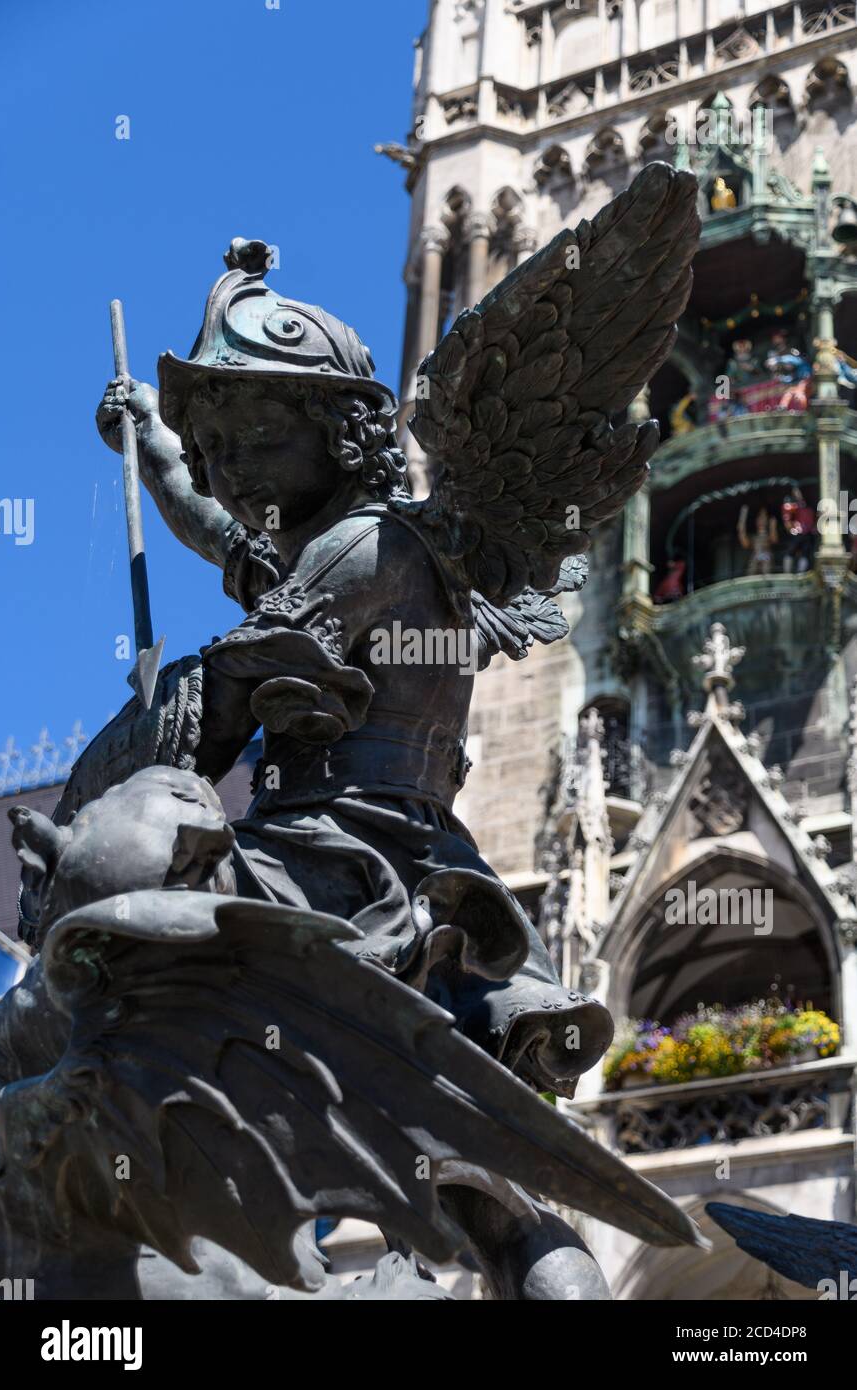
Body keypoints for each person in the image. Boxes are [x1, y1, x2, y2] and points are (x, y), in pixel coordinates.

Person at [95, 237, 613, 1099]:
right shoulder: (326, 551)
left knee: (134, 895)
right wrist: (150, 436)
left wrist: (123, 782)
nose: (228, 468)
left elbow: (221, 708)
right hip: (360, 842)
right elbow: (212, 527)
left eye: (257, 436)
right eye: (213, 447)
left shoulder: (366, 550)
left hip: (347, 851)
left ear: (340, 433)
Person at [737, 502, 778, 575]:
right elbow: (744, 540)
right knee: (754, 561)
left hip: (767, 558)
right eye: (760, 517)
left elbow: (774, 539)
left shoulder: (768, 535)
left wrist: (773, 526)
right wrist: (743, 516)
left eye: (765, 516)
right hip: (755, 559)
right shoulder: (753, 537)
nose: (763, 519)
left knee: (766, 558)